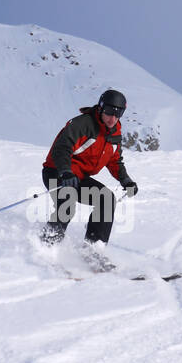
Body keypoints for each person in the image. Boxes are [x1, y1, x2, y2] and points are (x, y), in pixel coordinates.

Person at [40, 89, 139, 246]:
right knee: (67, 199)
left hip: (78, 177)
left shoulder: (114, 133)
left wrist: (125, 180)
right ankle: (47, 244)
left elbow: (114, 160)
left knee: (106, 198)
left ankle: (93, 249)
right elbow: (62, 148)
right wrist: (65, 171)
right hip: (57, 171)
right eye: (108, 112)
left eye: (118, 113)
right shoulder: (83, 124)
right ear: (100, 108)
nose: (112, 118)